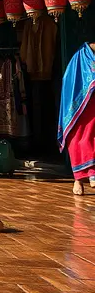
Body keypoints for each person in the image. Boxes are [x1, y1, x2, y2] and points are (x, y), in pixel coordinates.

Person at [59, 43, 95, 195]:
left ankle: (92, 173)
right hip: (77, 109)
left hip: (93, 106)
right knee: (76, 140)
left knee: (91, 138)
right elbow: (70, 83)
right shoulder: (79, 58)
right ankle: (78, 179)